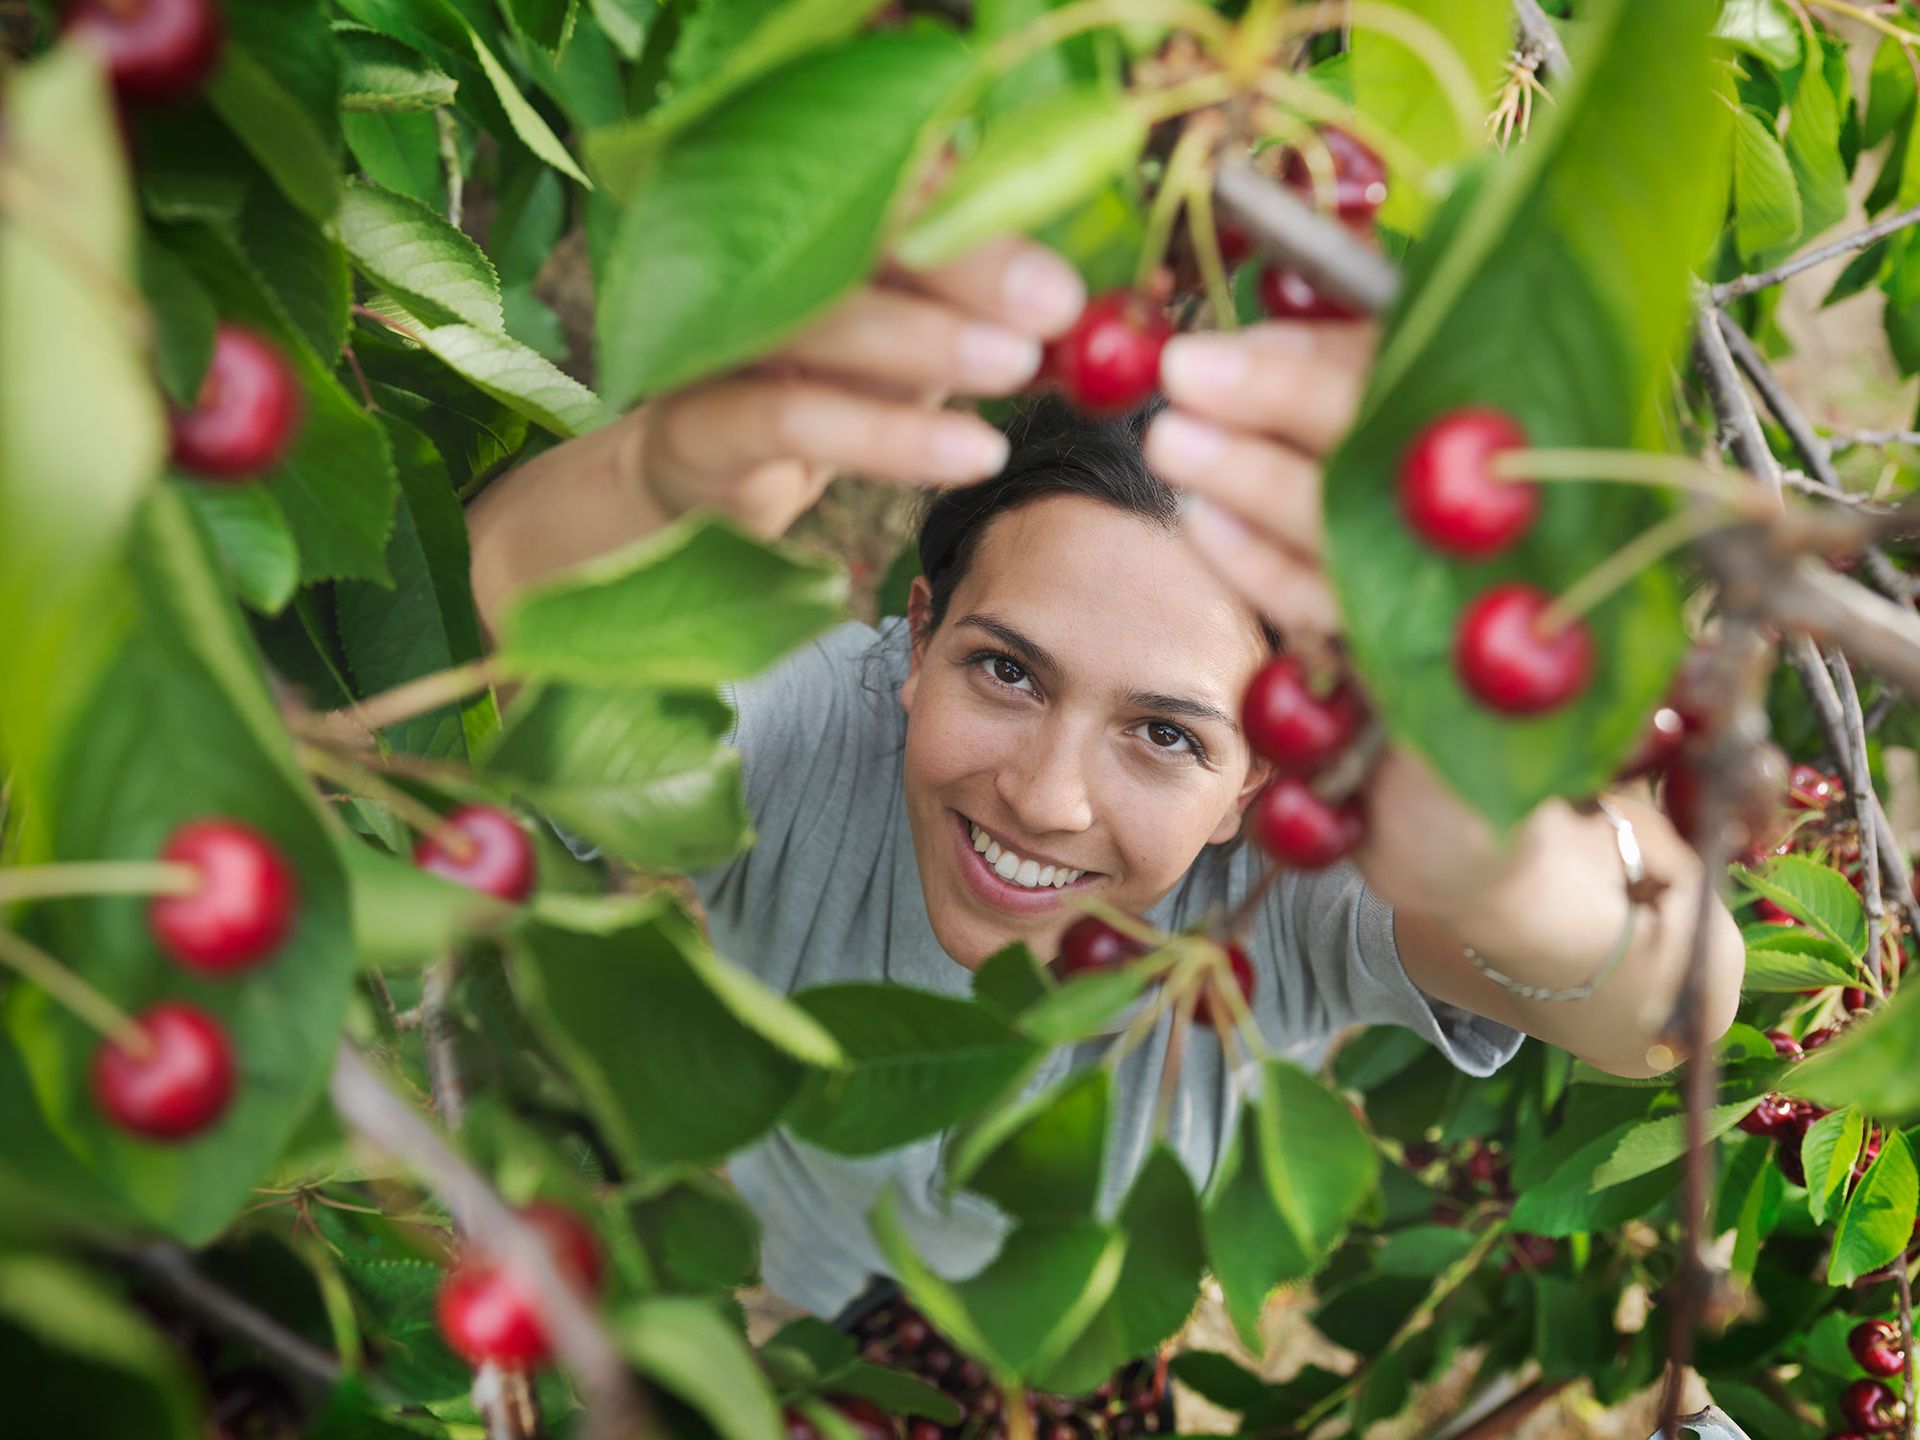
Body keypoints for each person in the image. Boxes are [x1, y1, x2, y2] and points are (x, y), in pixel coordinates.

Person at [467, 235, 1744, 1328]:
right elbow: (502, 633)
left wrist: (1505, 863)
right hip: (787, 1264)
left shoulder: (1278, 901)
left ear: (1260, 781)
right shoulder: (817, 733)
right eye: (1008, 672)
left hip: (1060, 1325)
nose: (1047, 799)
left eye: (1171, 736)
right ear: (914, 638)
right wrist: (655, 479)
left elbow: (1662, 1012)